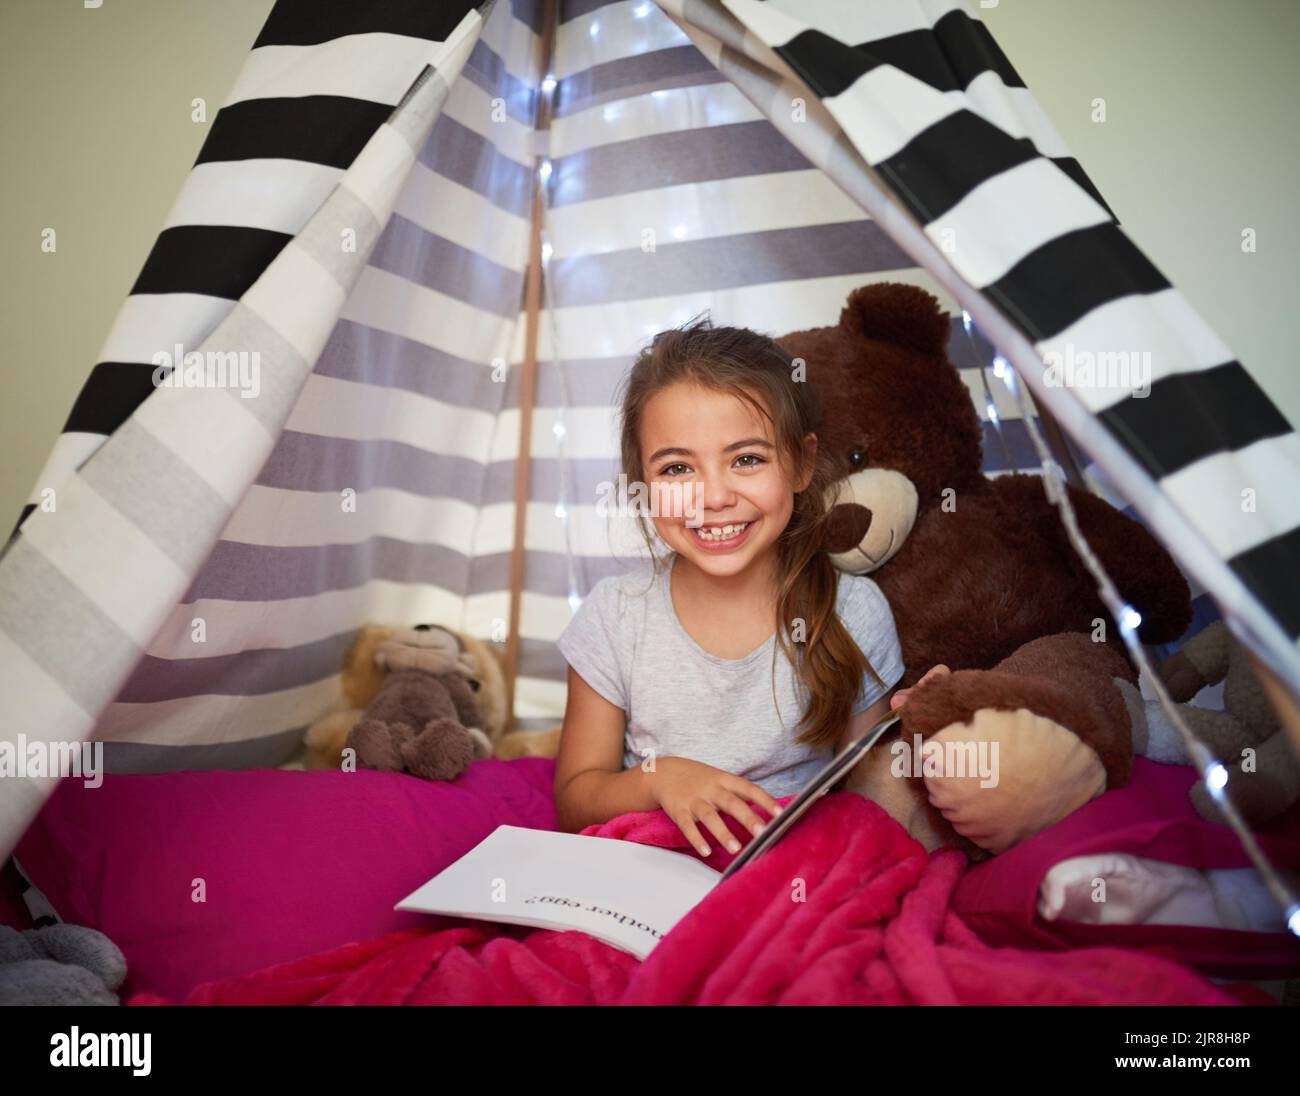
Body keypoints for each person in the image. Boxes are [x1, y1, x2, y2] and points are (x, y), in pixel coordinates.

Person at [553, 314, 912, 858]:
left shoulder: (853, 611)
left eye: (747, 459)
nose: (713, 497)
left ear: (801, 464)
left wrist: (921, 734)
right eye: (677, 469)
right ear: (643, 486)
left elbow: (869, 796)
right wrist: (660, 779)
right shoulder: (614, 617)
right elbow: (576, 798)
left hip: (788, 870)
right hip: (652, 868)